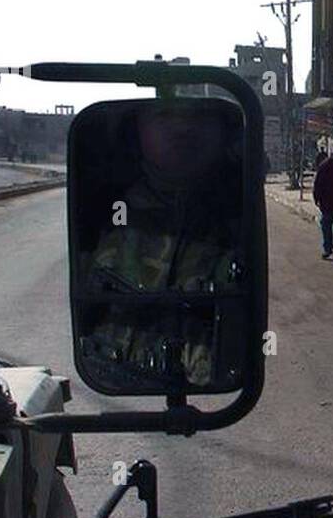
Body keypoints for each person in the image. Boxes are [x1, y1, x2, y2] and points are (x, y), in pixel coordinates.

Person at [81, 100, 240, 391]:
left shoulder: (239, 220)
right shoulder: (102, 219)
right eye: (164, 113)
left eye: (199, 114)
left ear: (223, 131)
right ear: (137, 130)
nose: (182, 127)